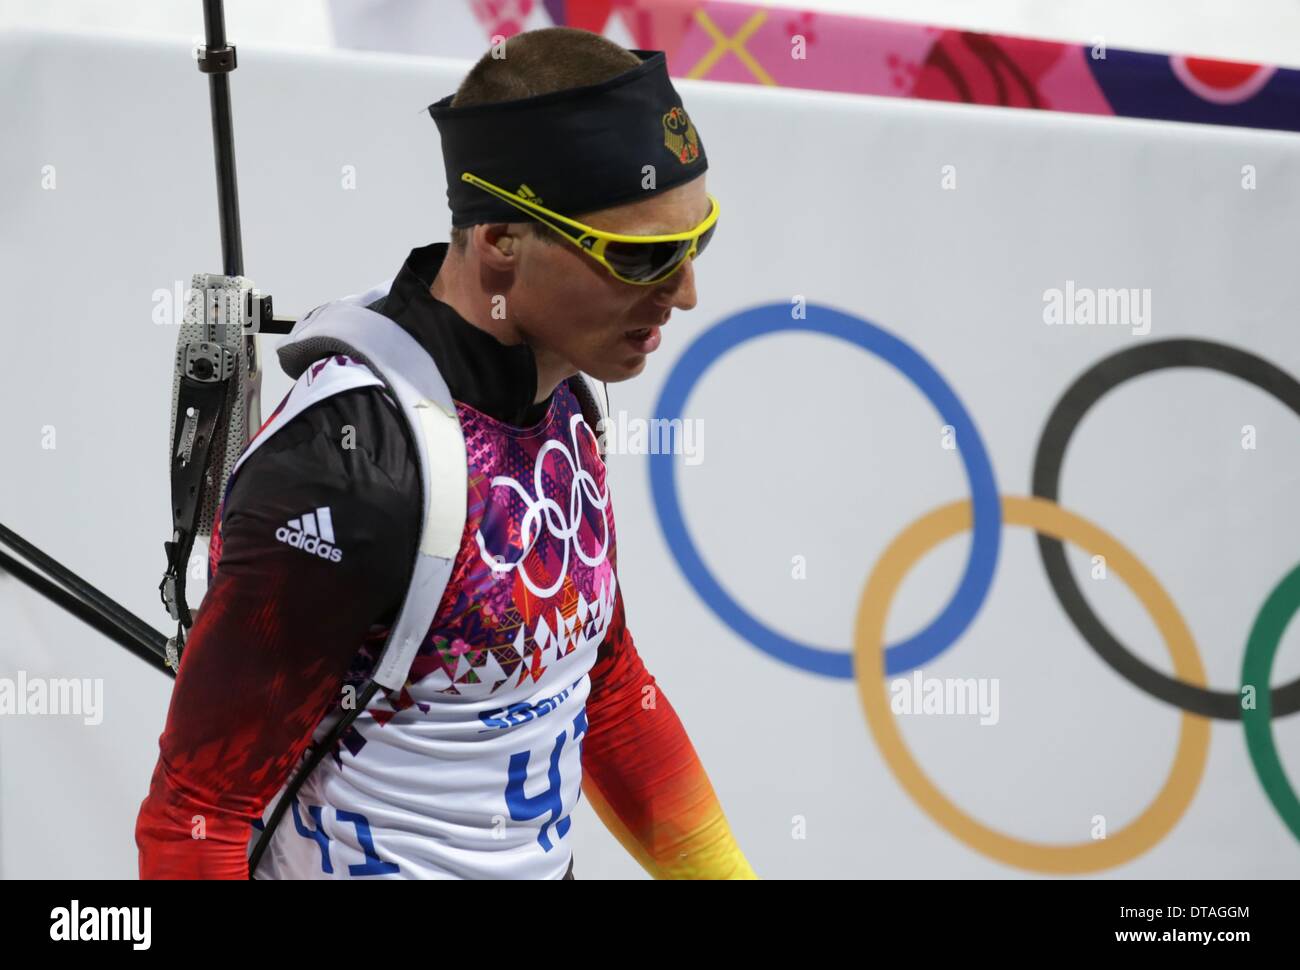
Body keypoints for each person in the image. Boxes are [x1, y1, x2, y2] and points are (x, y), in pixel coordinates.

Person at [135, 26, 753, 880]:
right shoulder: (350, 470)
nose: (685, 292)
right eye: (642, 256)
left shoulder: (568, 390)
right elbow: (197, 813)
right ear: (501, 239)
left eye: (698, 240)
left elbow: (601, 684)